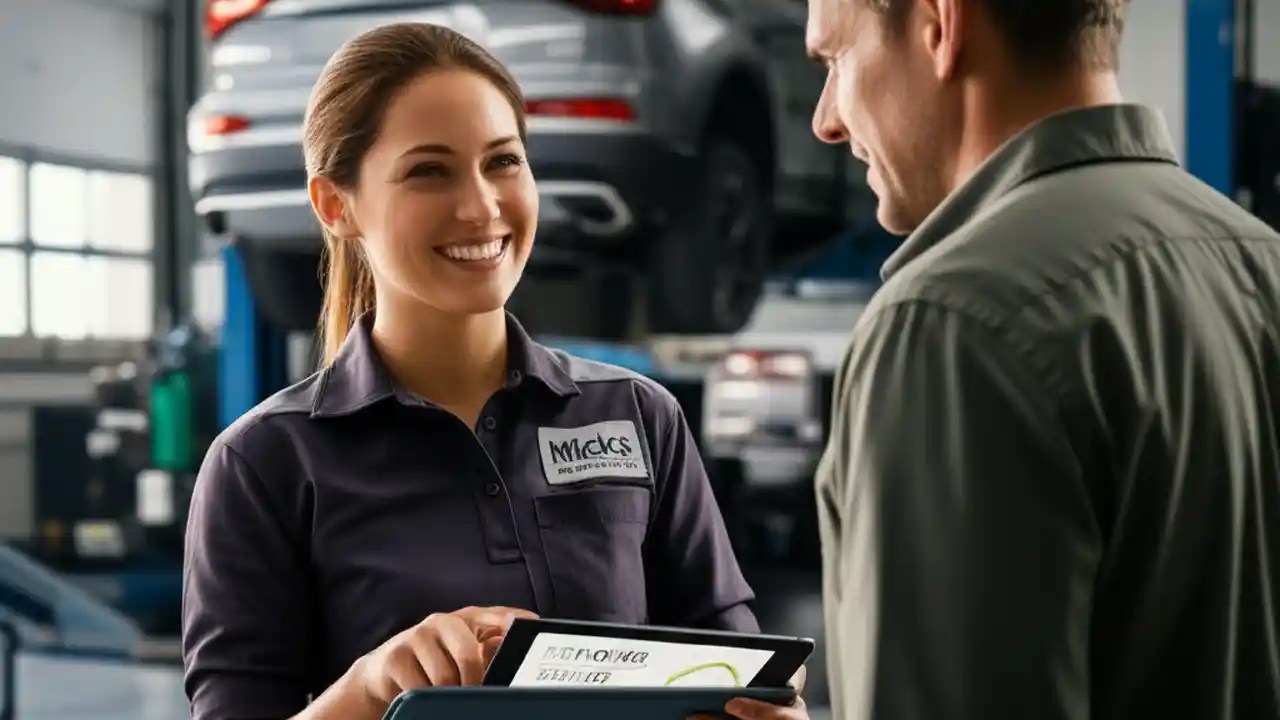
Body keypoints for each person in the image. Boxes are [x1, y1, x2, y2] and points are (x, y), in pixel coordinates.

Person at [181, 23, 782, 720]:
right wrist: (368, 688)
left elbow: (735, 670)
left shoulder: (638, 418)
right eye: (429, 171)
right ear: (335, 205)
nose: (481, 207)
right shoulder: (265, 465)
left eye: (503, 162)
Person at [804, 0, 1280, 718]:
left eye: (836, 59)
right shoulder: (1261, 265)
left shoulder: (949, 324)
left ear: (940, 26)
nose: (827, 119)